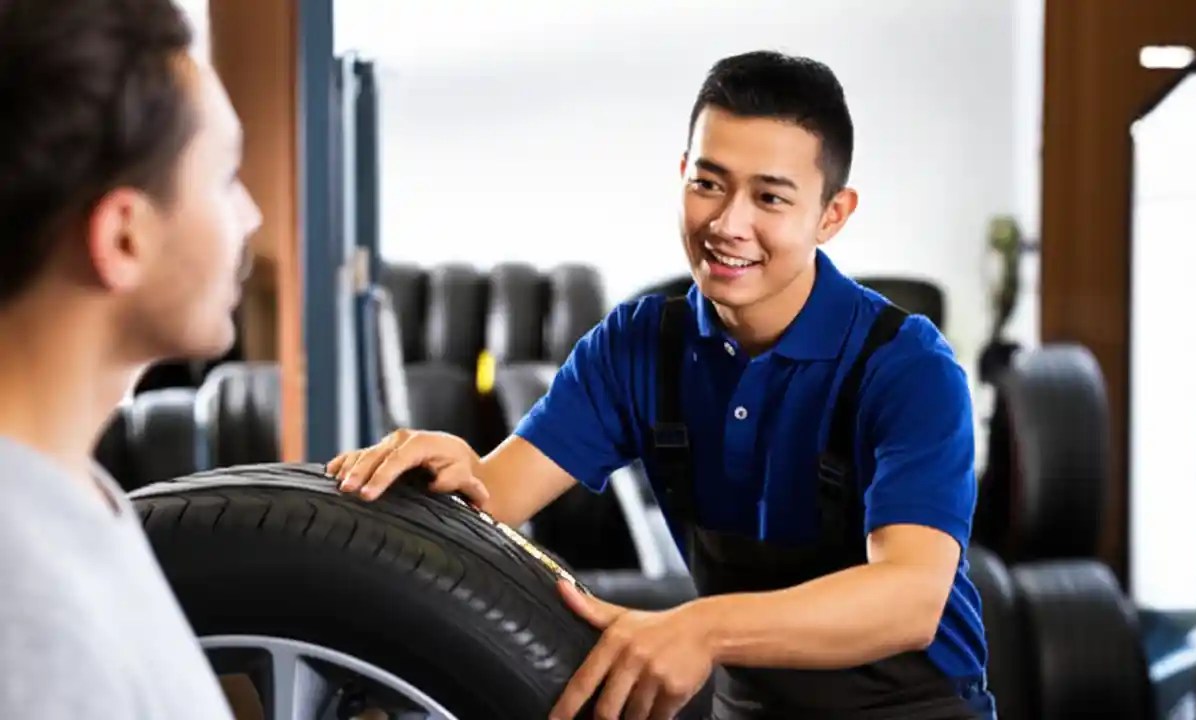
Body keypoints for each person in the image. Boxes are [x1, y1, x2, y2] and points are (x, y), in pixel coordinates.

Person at [330, 50, 993, 720]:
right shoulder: (639, 346)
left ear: (832, 214)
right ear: (682, 175)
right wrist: (451, 473)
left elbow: (911, 599)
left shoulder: (906, 367)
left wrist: (701, 627)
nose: (729, 224)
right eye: (709, 184)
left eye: (769, 197)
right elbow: (493, 498)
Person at [0, 0, 261, 716]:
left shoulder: (66, 496)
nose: (250, 216)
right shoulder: (25, 614)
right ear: (123, 237)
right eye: (224, 177)